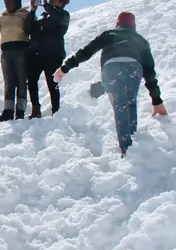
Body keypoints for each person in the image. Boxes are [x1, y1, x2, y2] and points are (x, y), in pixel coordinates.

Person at [55, 12, 168, 155]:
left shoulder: (109, 34)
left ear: (118, 24)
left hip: (111, 69)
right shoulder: (140, 40)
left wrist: (65, 68)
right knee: (130, 102)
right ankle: (132, 146)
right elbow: (149, 72)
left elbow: (87, 51)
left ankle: (126, 148)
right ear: (133, 26)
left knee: (120, 105)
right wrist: (156, 100)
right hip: (133, 69)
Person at [25, 0, 71, 118]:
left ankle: (56, 110)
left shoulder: (63, 15)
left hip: (53, 54)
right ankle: (35, 108)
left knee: (52, 82)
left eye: (53, 0)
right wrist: (32, 12)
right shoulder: (43, 16)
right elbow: (28, 28)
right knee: (31, 80)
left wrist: (46, 6)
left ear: (61, 3)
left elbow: (58, 19)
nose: (50, 1)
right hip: (37, 53)